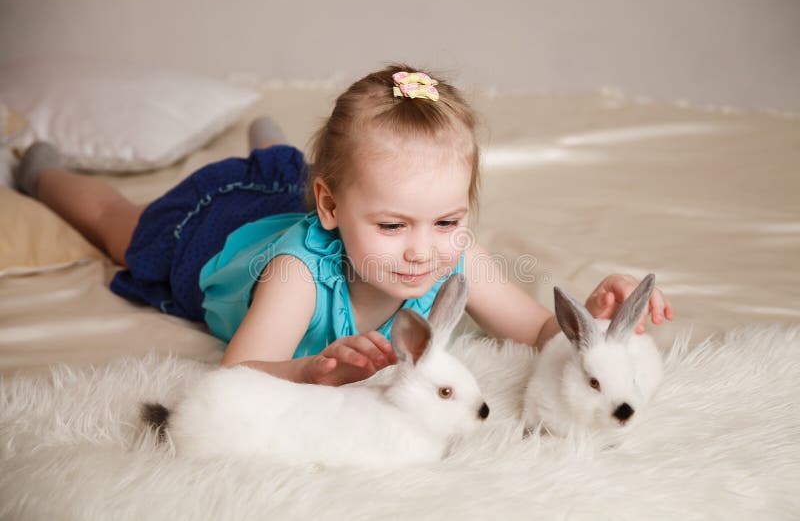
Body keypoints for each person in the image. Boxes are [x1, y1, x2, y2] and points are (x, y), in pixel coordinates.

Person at [13, 64, 673, 386]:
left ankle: (274, 148)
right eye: (393, 226)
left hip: (316, 193)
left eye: (447, 218)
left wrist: (595, 322)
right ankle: (39, 168)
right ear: (329, 208)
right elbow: (238, 373)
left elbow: (536, 330)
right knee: (120, 228)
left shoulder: (454, 253)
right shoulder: (296, 274)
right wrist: (309, 372)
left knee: (290, 169)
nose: (422, 251)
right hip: (216, 231)